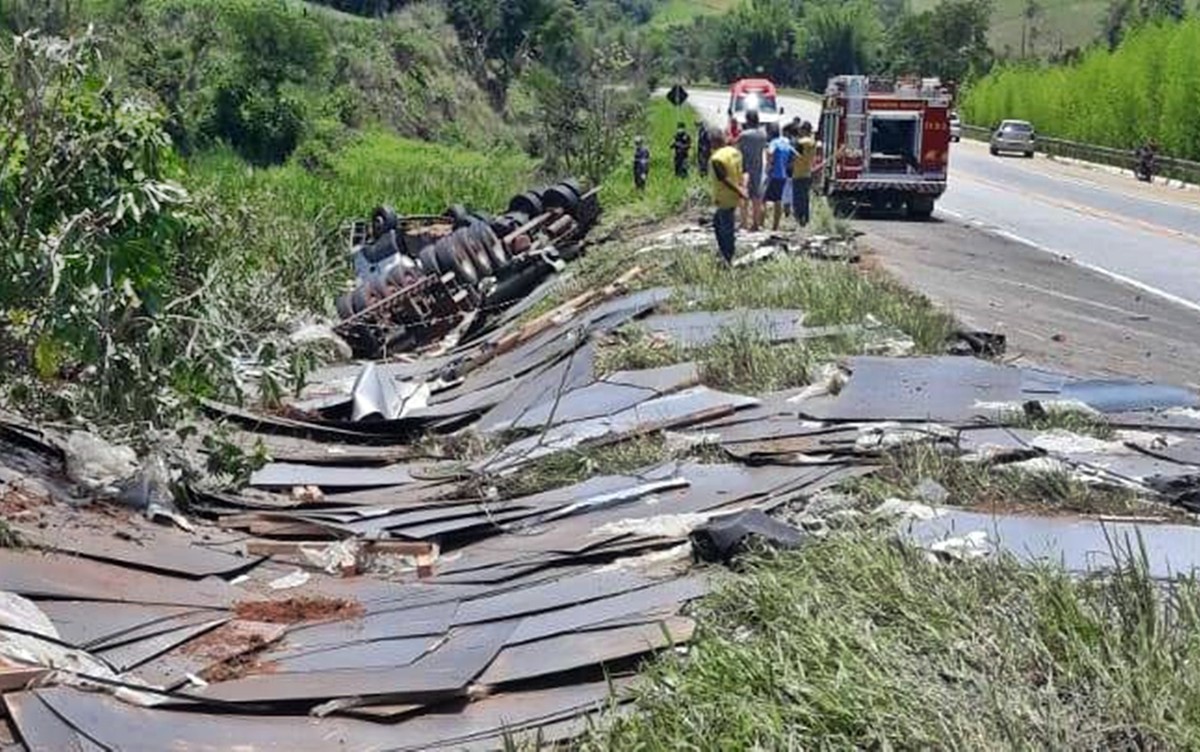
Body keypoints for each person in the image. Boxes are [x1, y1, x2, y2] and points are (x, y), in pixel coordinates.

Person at [709, 128, 746, 264]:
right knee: (718, 223)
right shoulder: (734, 152)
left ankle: (728, 256)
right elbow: (741, 171)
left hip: (724, 197)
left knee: (726, 228)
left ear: (714, 142)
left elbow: (723, 178)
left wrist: (739, 191)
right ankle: (725, 252)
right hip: (733, 195)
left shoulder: (717, 158)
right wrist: (742, 187)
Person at [736, 109, 768, 231]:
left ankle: (744, 223)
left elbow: (736, 147)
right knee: (756, 198)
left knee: (744, 195)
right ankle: (756, 223)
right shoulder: (762, 135)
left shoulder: (744, 135)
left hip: (745, 168)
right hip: (758, 169)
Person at [765, 124, 797, 231]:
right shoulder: (786, 142)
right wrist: (788, 165)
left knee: (761, 200)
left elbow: (770, 153)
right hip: (783, 175)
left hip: (773, 174)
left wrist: (768, 167)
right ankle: (775, 226)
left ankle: (759, 224)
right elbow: (796, 155)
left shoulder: (774, 142)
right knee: (778, 201)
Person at [792, 121, 818, 227]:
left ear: (804, 130)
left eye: (800, 129)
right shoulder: (812, 142)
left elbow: (794, 156)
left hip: (798, 173)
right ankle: (806, 220)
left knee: (797, 200)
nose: (798, 131)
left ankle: (799, 221)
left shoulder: (800, 142)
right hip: (807, 172)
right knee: (805, 199)